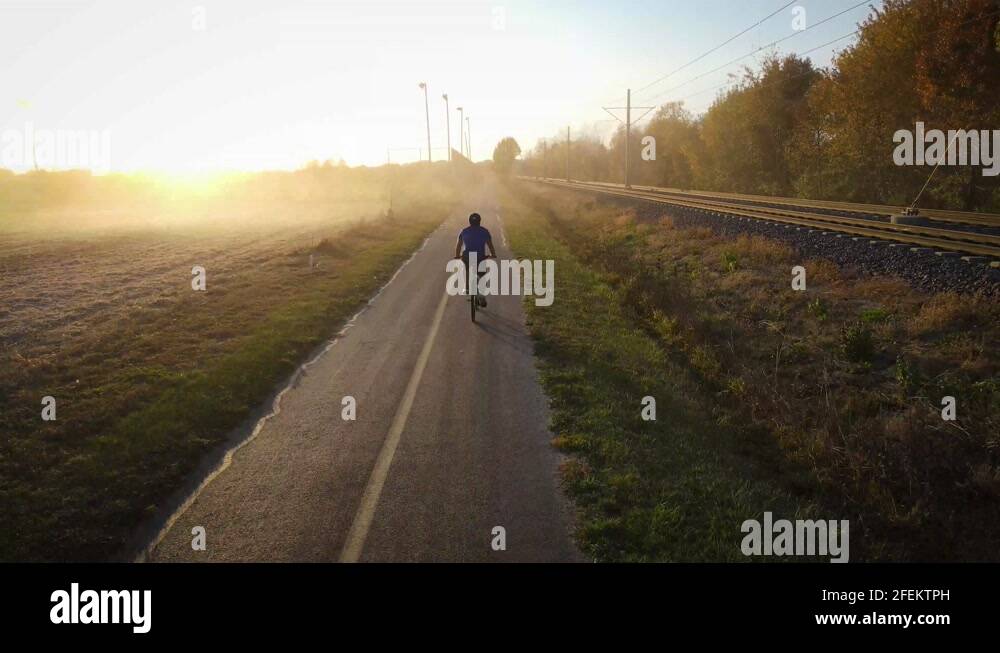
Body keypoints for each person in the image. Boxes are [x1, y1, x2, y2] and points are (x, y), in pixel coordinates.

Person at [454, 212, 497, 307]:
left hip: (467, 256)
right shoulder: (485, 231)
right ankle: (482, 295)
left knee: (466, 268)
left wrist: (457, 255)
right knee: (481, 274)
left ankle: (468, 287)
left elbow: (458, 245)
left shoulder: (464, 231)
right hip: (480, 256)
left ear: (469, 221)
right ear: (479, 221)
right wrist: (493, 254)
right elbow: (490, 245)